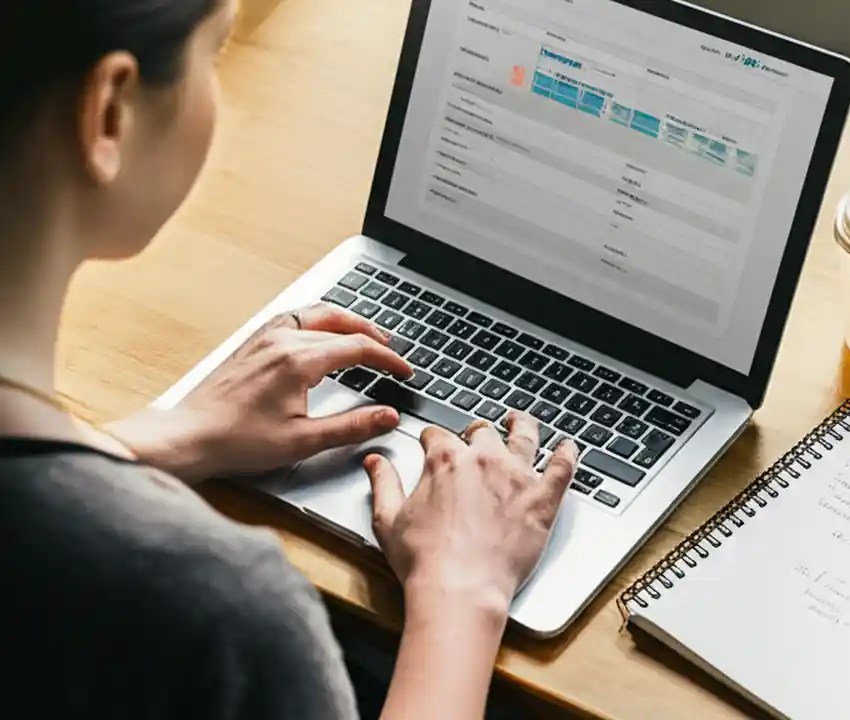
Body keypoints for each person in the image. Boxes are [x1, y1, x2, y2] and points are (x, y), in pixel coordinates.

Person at [0, 1, 578, 718]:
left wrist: (162, 438)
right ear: (109, 113)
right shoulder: (211, 610)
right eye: (214, 55)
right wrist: (463, 591)